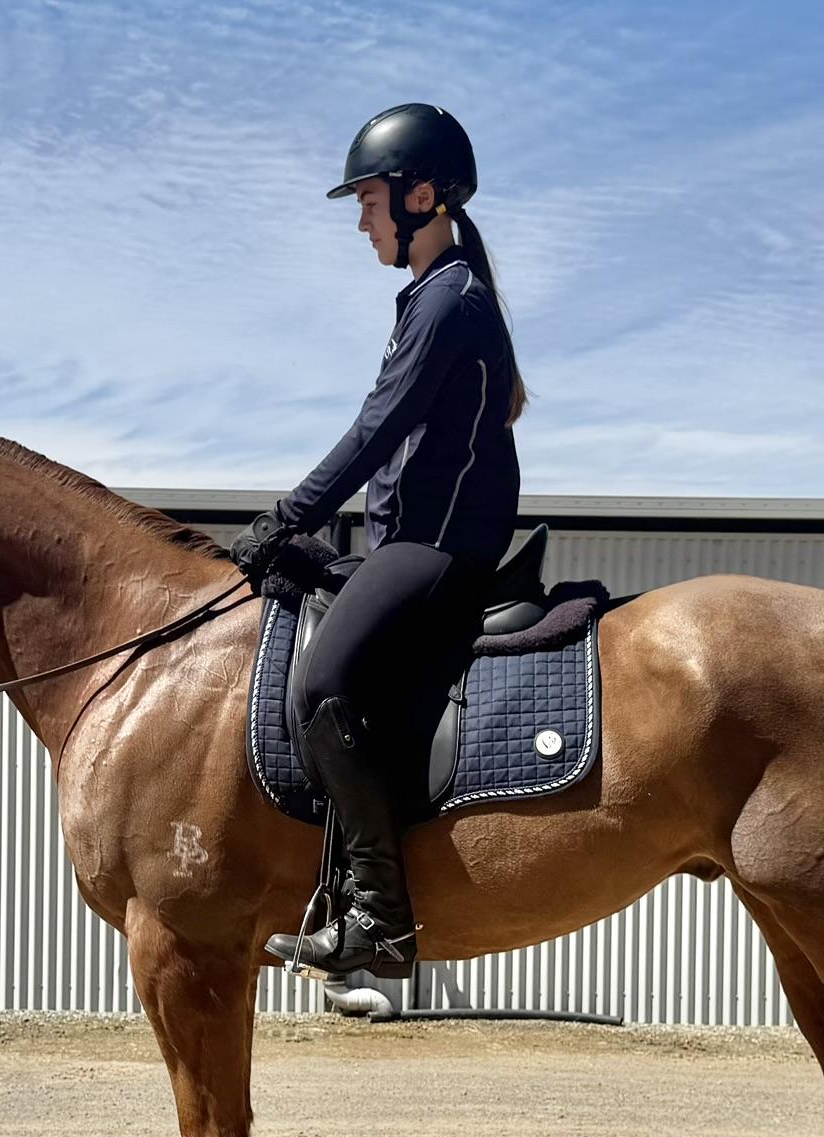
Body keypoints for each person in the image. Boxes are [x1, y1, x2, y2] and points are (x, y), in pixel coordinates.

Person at [231, 102, 527, 980]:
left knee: (324, 683)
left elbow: (376, 427)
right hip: (411, 538)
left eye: (369, 203)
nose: (361, 221)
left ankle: (380, 916)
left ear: (423, 196)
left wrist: (289, 513)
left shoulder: (451, 301)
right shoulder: (430, 297)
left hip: (441, 547)